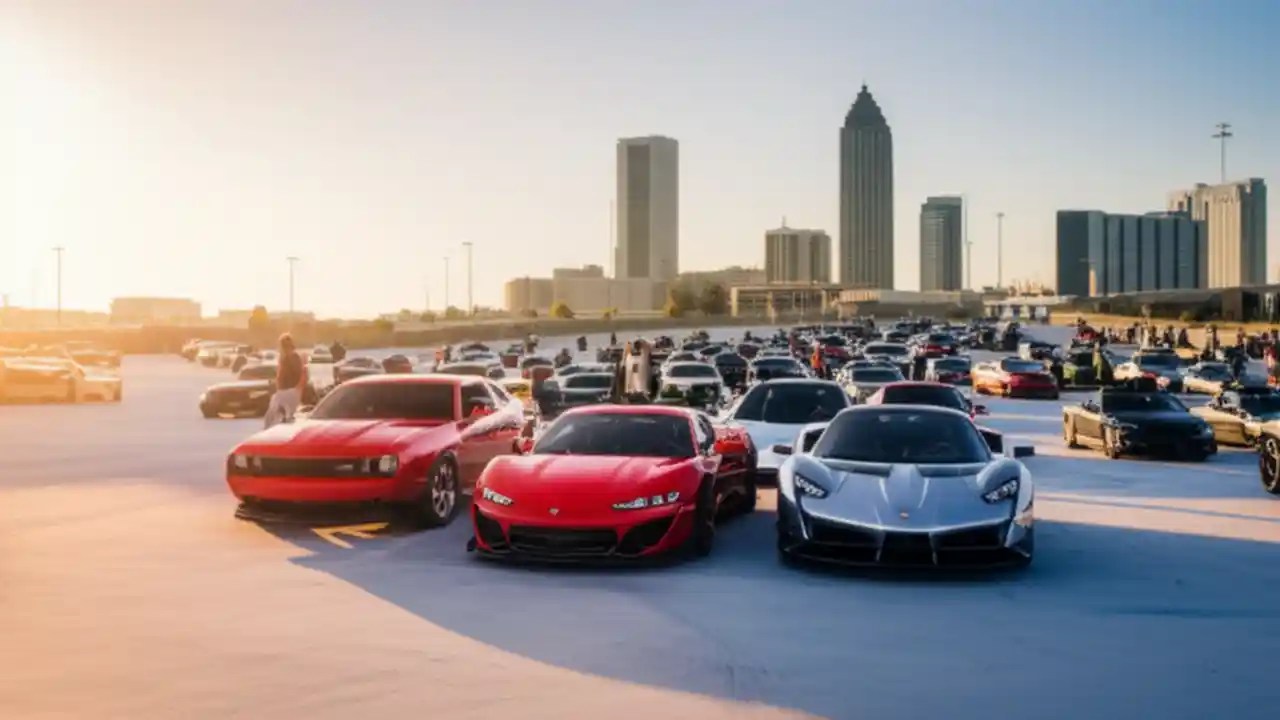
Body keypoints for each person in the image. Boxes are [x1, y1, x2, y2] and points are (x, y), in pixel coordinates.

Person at [265, 333, 306, 428]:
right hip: (285, 391)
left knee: (280, 416)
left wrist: (297, 389)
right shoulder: (285, 358)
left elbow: (301, 374)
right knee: (274, 416)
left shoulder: (293, 358)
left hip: (290, 391)